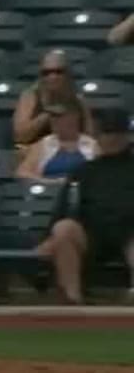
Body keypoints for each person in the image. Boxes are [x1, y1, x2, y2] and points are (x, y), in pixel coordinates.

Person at [39, 107, 134, 304]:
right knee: (63, 228)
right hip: (93, 234)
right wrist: (49, 236)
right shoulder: (84, 171)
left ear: (127, 136)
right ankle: (73, 300)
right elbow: (64, 207)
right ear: (98, 137)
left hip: (129, 232)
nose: (111, 139)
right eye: (106, 133)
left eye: (116, 133)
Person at [14, 49, 92, 145]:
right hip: (36, 154)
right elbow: (20, 137)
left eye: (58, 72)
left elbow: (89, 137)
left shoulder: (78, 100)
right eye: (46, 73)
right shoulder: (30, 96)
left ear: (68, 74)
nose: (52, 77)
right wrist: (47, 115)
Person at [16, 98, 98, 183]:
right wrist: (50, 183)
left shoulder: (92, 145)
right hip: (50, 191)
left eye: (59, 116)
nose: (53, 120)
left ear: (74, 117)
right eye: (52, 116)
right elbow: (22, 173)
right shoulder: (43, 144)